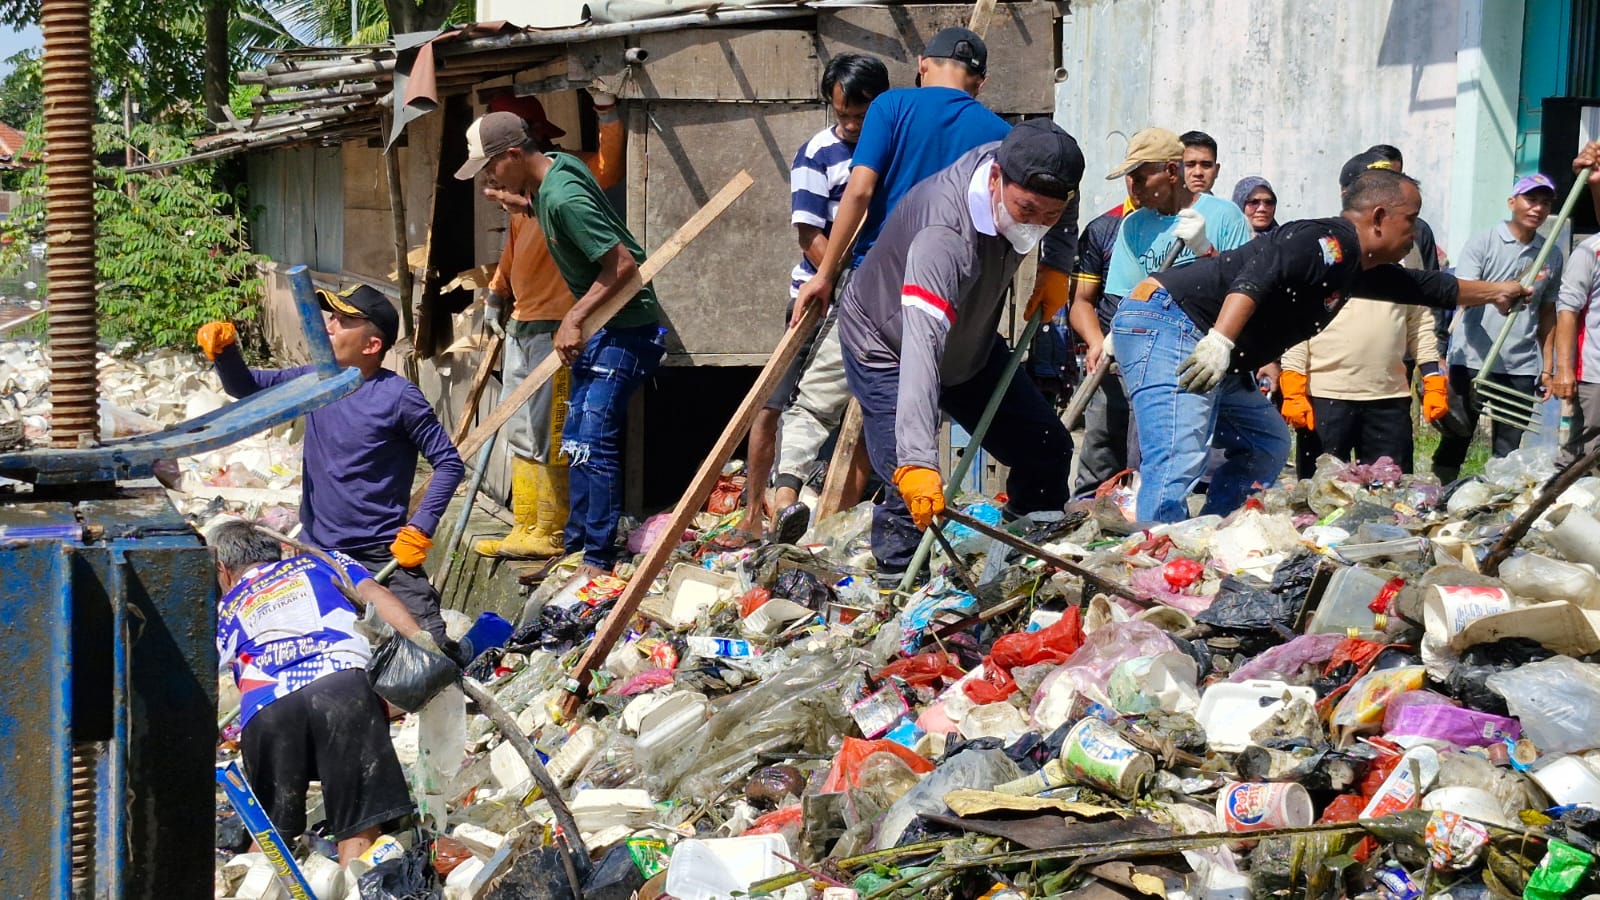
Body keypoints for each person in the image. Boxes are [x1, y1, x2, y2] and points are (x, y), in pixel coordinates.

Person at [1111, 168, 1527, 523]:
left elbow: (1429, 286)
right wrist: (1220, 340)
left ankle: (1212, 530)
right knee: (1177, 454)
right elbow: (1260, 272)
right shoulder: (1326, 240)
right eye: (1411, 219)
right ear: (1379, 217)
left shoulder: (1356, 267)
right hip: (1172, 320)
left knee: (1265, 443)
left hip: (1216, 342)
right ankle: (1154, 558)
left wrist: (1497, 292)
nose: (1415, 231)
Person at [836, 119, 1084, 580]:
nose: (1036, 223)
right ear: (995, 178)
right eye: (1026, 209)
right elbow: (922, 352)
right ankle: (900, 590)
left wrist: (1057, 265)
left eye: (1047, 216)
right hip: (889, 343)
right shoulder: (943, 234)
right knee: (907, 488)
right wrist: (916, 460)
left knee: (1046, 448)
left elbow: (1063, 208)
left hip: (970, 337)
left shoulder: (1033, 170)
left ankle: (1027, 559)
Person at [455, 111, 665, 584]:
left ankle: (597, 556)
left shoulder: (563, 194)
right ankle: (574, 547)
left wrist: (573, 317)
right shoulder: (553, 173)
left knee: (591, 441)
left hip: (626, 328)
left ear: (512, 154)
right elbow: (547, 204)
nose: (488, 177)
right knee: (574, 438)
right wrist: (517, 203)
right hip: (604, 328)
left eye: (490, 166)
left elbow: (622, 263)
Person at [198, 286, 465, 653]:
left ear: (371, 346)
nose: (329, 326)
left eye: (343, 320)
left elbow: (449, 463)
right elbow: (246, 387)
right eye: (331, 317)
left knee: (431, 652)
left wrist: (421, 528)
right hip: (318, 551)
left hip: (381, 553)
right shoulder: (314, 383)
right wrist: (225, 352)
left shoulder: (399, 397)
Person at [717, 53, 889, 549]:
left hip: (873, 300)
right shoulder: (816, 153)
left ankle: (833, 517)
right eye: (843, 116)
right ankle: (755, 512)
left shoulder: (892, 151)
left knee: (853, 408)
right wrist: (836, 278)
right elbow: (810, 235)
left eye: (862, 114)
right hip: (815, 297)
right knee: (773, 403)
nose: (852, 125)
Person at [211, 519, 422, 865]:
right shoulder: (321, 561)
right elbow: (375, 596)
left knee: (270, 833)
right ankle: (351, 880)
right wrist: (421, 644)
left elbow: (203, 673)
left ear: (222, 568)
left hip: (268, 707)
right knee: (358, 822)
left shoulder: (226, 606)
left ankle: (253, 882)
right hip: (342, 685)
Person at [475, 89, 623, 560]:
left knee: (550, 427)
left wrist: (607, 111)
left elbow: (610, 168)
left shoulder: (561, 180)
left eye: (493, 162)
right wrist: (498, 293)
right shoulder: (526, 199)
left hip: (558, 321)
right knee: (520, 425)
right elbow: (514, 249)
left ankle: (552, 528)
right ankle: (526, 524)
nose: (490, 175)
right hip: (524, 319)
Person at [1430, 174, 1563, 481]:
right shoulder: (1484, 240)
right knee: (1456, 437)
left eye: (1545, 203)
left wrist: (1548, 366)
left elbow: (1547, 312)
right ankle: (1440, 497)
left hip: (1520, 365)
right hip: (1472, 359)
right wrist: (1500, 293)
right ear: (1512, 202)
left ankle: (1495, 508)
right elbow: (1462, 291)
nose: (1538, 209)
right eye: (1531, 200)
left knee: (1508, 450)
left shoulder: (1550, 254)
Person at [1065, 187, 1138, 495]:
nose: (1139, 182)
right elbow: (1081, 301)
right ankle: (1089, 510)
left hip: (1162, 360)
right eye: (1134, 175)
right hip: (1109, 360)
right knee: (1101, 444)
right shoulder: (1105, 229)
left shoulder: (1187, 227)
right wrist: (1097, 341)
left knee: (1150, 457)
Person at [1550, 140, 1600, 464]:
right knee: (1587, 460)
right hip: (1595, 377)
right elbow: (1566, 310)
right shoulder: (1589, 252)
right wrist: (1564, 370)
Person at [1180, 130, 1220, 194]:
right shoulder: (1161, 204)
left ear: (1216, 170)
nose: (1198, 173)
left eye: (1206, 165)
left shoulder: (1225, 204)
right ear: (1174, 170)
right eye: (1190, 165)